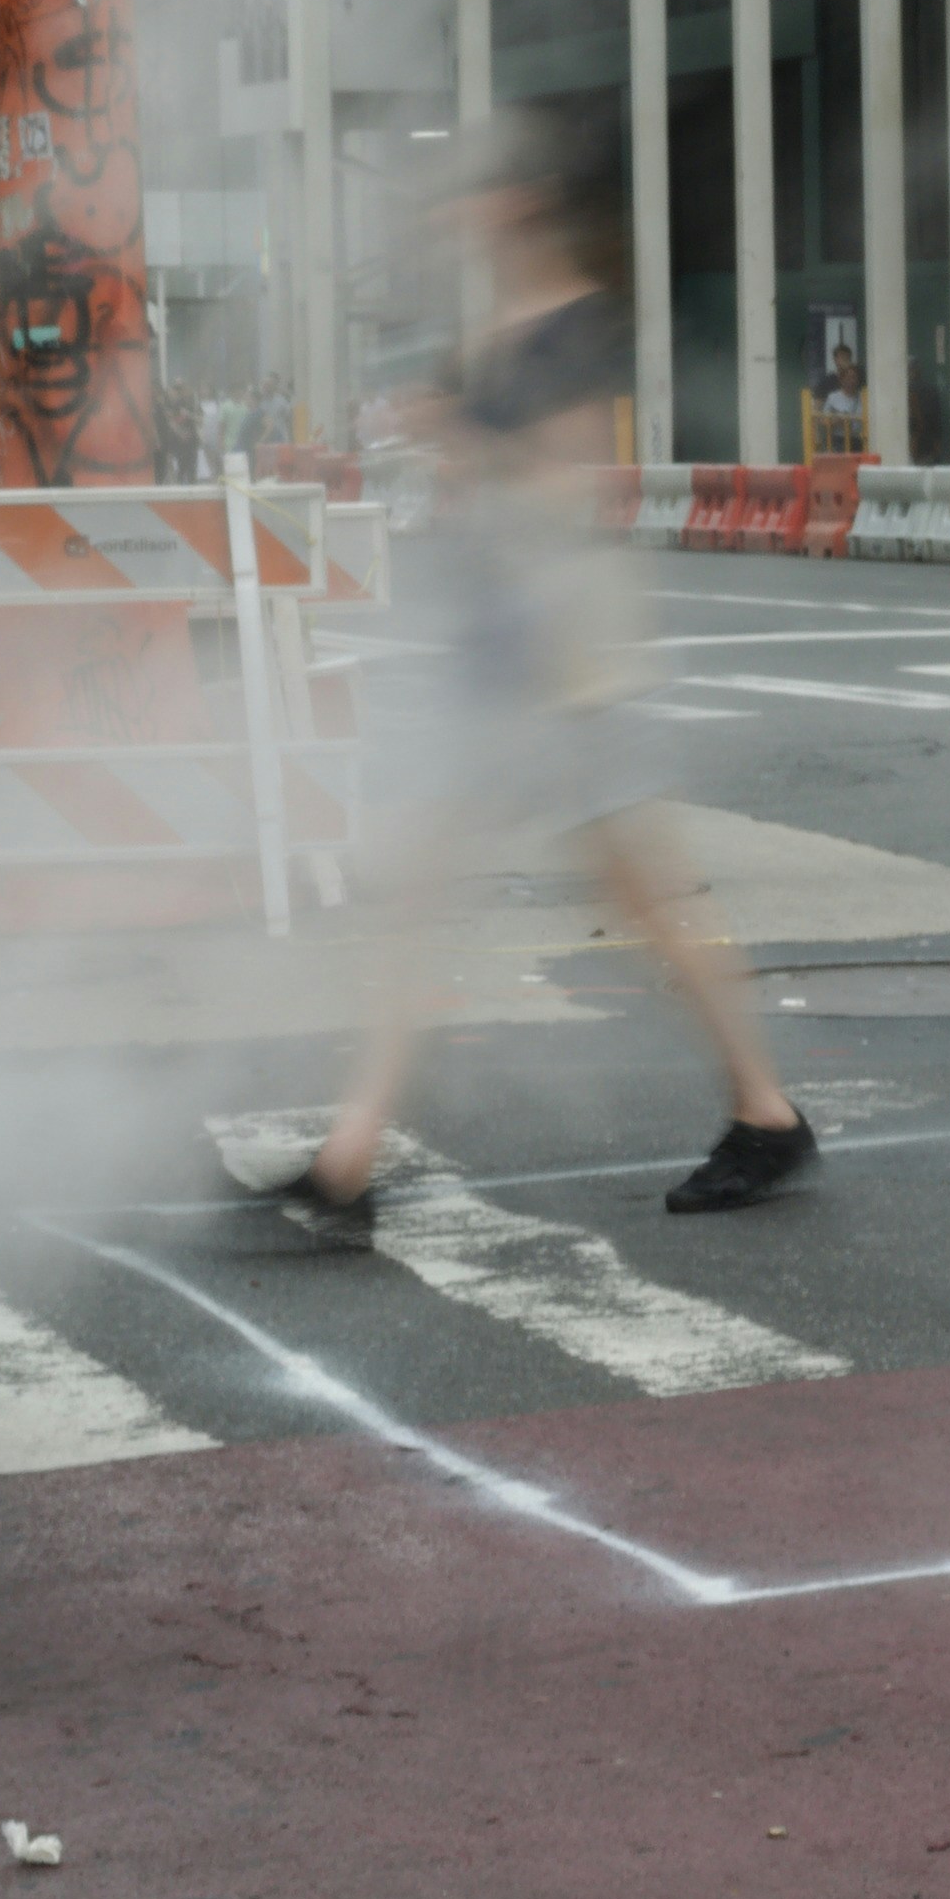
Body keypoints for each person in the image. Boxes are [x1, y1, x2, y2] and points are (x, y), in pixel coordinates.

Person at [275, 112, 814, 1236]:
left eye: (465, 193)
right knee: (433, 889)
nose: (445, 212)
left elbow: (567, 485)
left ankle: (764, 1113)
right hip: (501, 646)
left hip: (564, 653)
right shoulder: (498, 329)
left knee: (636, 898)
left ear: (515, 202)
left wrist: (455, 438)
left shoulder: (571, 324)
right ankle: (349, 1153)